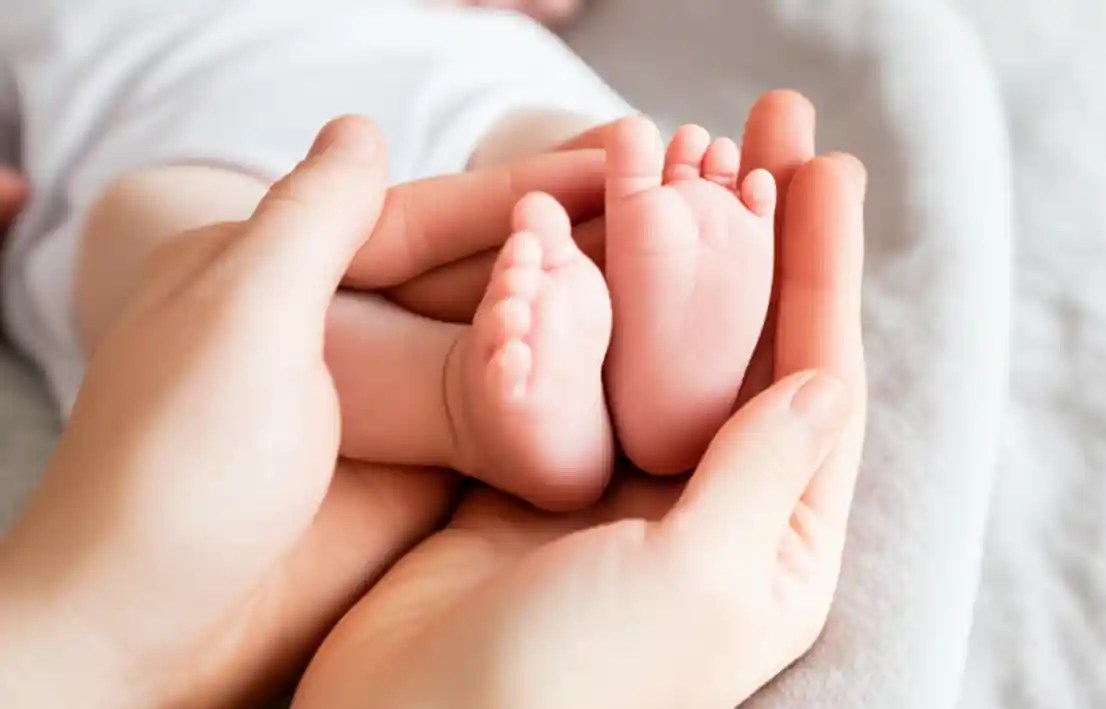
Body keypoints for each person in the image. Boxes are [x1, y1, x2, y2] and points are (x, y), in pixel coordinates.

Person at [0, 91, 869, 709]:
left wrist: (82, 638)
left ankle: (534, 368)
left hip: (360, 118)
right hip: (380, 118)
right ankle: (555, 366)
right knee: (200, 258)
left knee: (579, 158)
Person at [1, 0, 776, 512]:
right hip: (177, 138)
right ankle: (460, 392)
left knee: (558, 150)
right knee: (182, 267)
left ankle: (660, 324)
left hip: (403, 56)